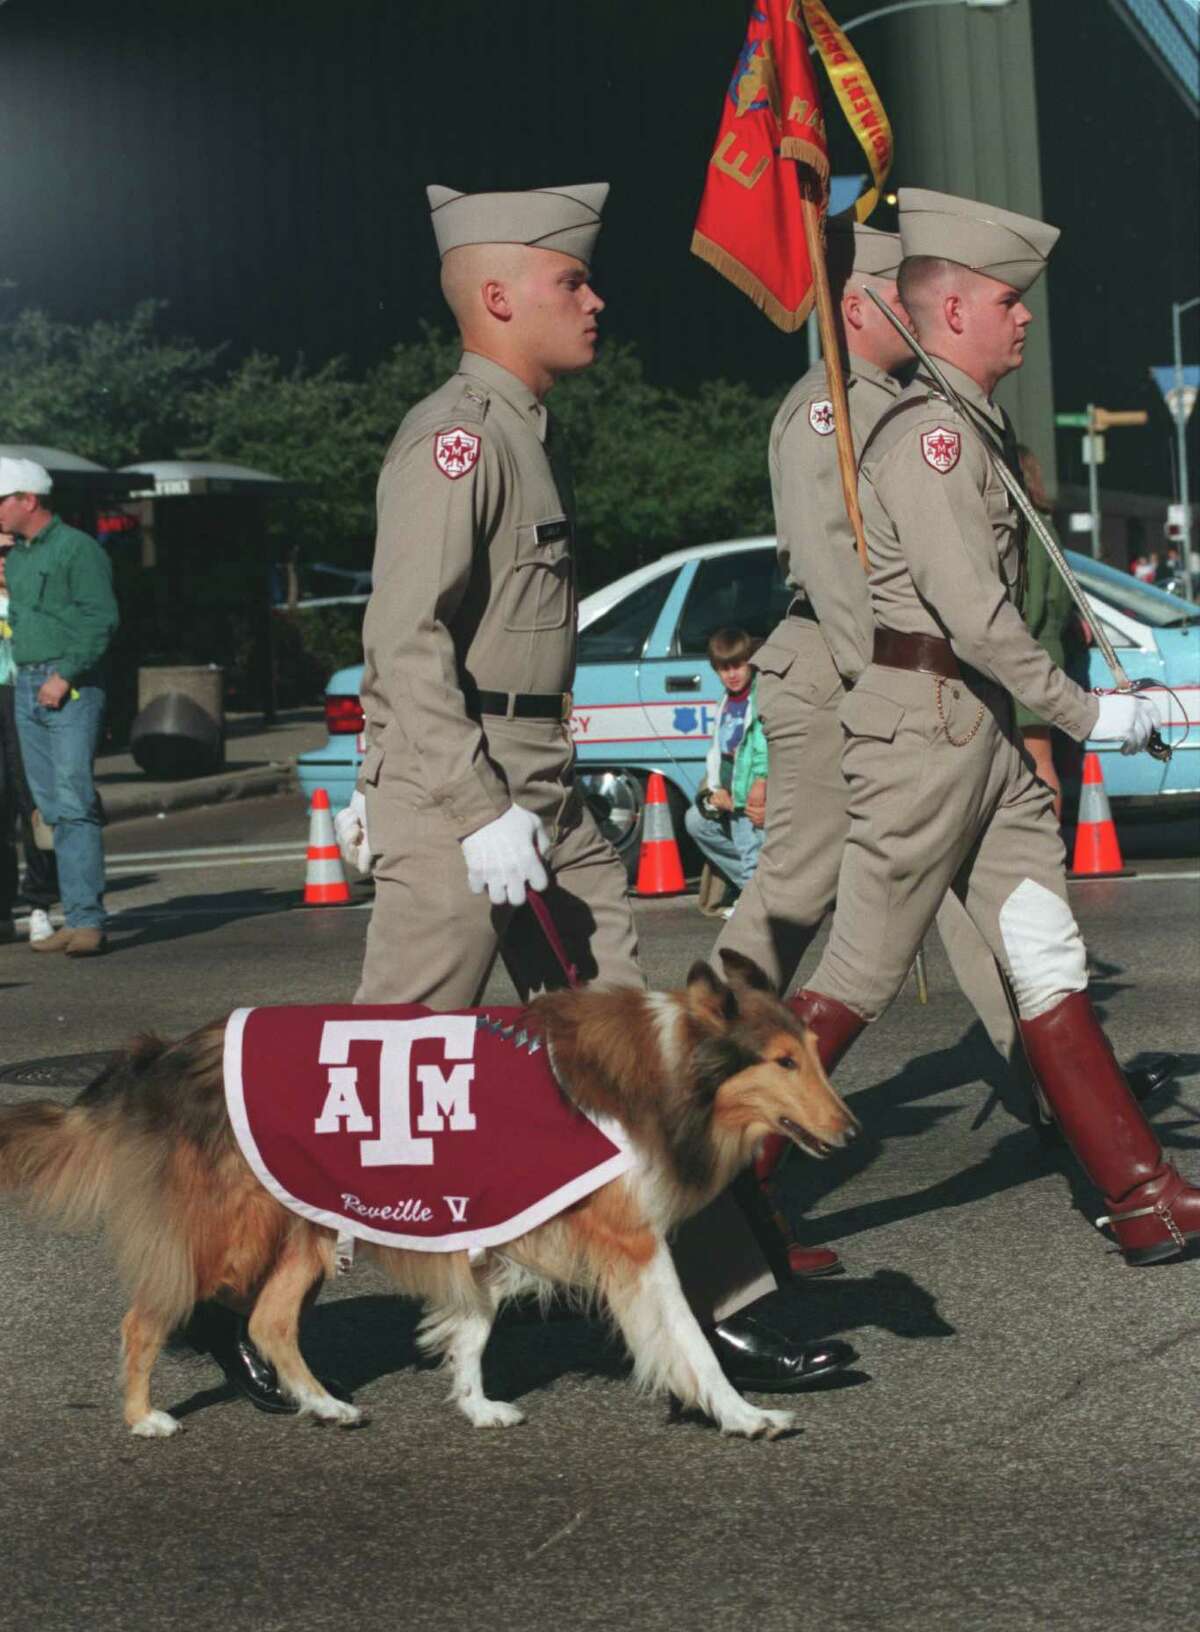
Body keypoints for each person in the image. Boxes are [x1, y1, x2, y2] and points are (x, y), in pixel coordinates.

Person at [327, 181, 849, 1401]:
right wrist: (461, 806)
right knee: (382, 1074)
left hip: (538, 790)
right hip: (469, 798)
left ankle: (721, 1311)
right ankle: (239, 1284)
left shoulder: (525, 432)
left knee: (646, 1051)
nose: (596, 298)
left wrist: (517, 800)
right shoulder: (453, 438)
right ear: (499, 298)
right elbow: (403, 637)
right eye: (574, 281)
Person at [779, 188, 1195, 1267]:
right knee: (861, 974)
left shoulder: (968, 427)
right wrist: (1094, 712)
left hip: (979, 732)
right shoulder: (932, 443)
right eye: (1009, 302)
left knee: (1045, 951)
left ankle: (1143, 1191)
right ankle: (715, 1205)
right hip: (923, 727)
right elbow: (975, 615)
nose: (1023, 321)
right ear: (951, 310)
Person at [0, 459, 115, 957]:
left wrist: (65, 674)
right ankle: (73, 913)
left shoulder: (78, 549)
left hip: (66, 684)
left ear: (28, 499)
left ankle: (87, 919)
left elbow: (101, 619)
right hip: (25, 682)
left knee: (73, 800)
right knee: (49, 806)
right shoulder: (20, 557)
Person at [0, 540, 59, 946]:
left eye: (7, 552)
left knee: (33, 802)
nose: (2, 562)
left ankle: (39, 904)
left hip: (25, 699)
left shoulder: (37, 598)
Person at [684, 626, 768, 898]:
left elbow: (762, 747)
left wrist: (759, 785)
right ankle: (759, 891)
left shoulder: (760, 697)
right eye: (723, 669)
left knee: (750, 849)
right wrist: (716, 788)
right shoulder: (726, 702)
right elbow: (718, 751)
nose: (731, 675)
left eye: (738, 666)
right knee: (699, 822)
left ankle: (753, 906)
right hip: (731, 792)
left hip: (749, 795)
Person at [1013, 444, 1074, 818]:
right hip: (1048, 647)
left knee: (1036, 761)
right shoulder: (1046, 524)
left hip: (1029, 651)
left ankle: (1045, 847)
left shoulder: (1027, 525)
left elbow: (1030, 604)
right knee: (1040, 758)